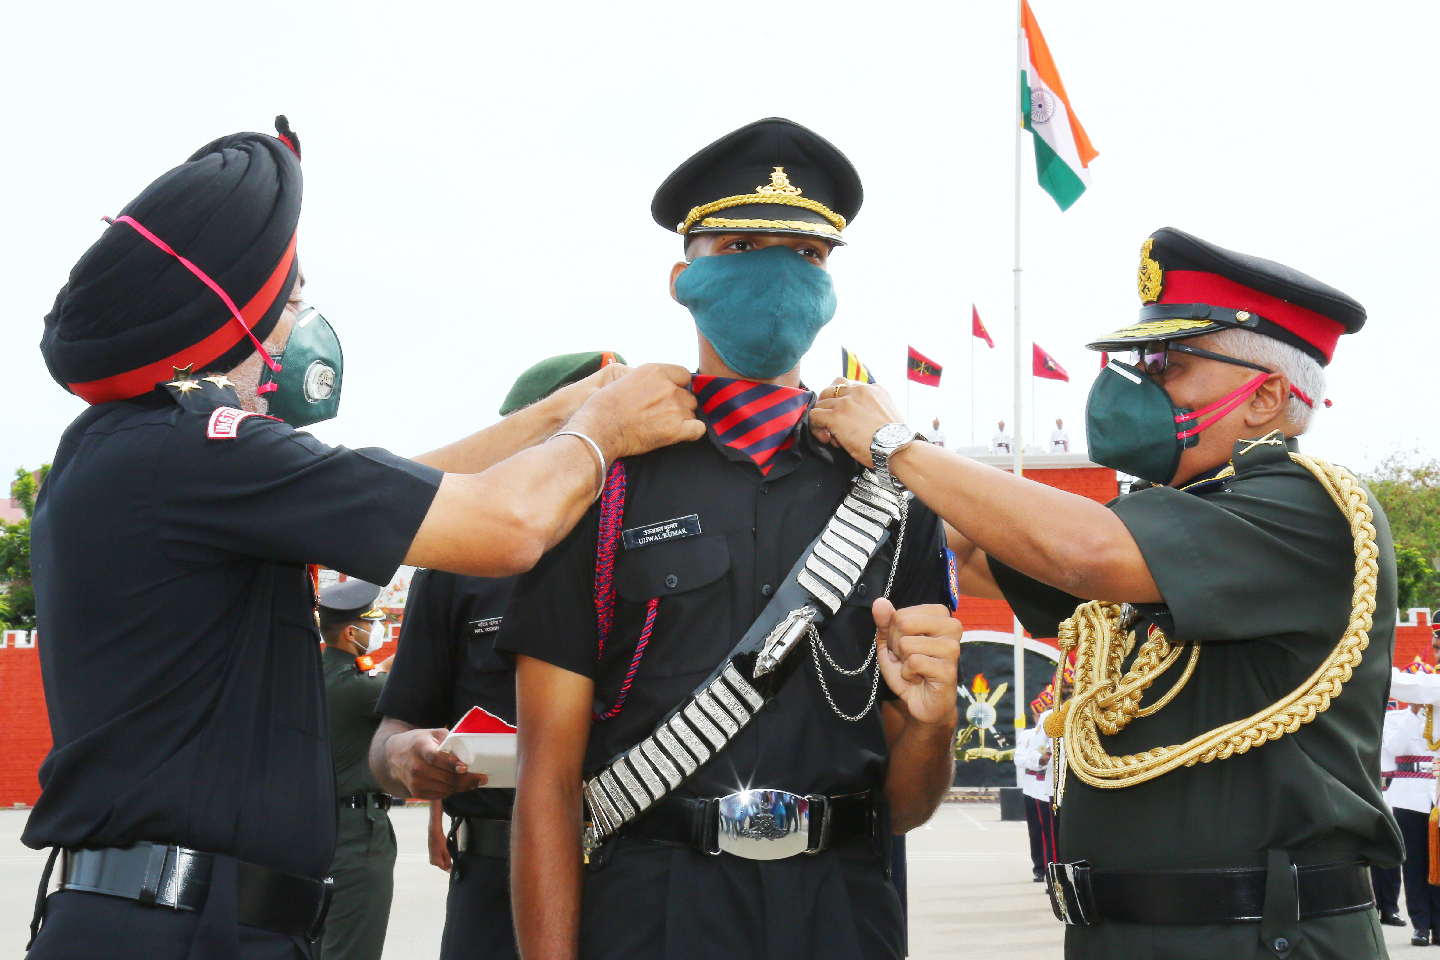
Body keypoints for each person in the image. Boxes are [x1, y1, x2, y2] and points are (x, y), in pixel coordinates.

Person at [23, 119, 703, 960]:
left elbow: (399, 485)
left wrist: (555, 416)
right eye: (294, 300)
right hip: (188, 928)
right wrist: (604, 431)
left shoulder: (137, 451)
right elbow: (506, 525)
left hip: (173, 917)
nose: (304, 324)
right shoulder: (204, 449)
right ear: (239, 316)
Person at [812, 226, 1399, 959]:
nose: (1141, 386)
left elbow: (1083, 553)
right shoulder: (1166, 518)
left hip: (1258, 936)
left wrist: (897, 443)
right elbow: (982, 552)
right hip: (1122, 933)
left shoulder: (1304, 506)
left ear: (1267, 397)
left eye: (1169, 365)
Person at [498, 117, 962, 960]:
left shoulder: (895, 495)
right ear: (684, 278)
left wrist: (932, 729)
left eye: (809, 254)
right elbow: (548, 783)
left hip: (842, 911)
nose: (780, 270)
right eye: (743, 244)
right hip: (654, 909)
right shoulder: (602, 485)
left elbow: (907, 803)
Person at [370, 351, 626, 960]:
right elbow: (390, 735)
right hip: (495, 887)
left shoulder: (665, 552)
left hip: (643, 881)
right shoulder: (460, 568)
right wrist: (407, 759)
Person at [318, 579, 397, 960]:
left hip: (316, 829)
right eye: (373, 623)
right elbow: (401, 688)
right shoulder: (363, 687)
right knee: (353, 948)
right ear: (352, 632)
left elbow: (375, 677)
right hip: (356, 837)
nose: (379, 629)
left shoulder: (317, 674)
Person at [1380, 662, 1437, 943]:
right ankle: (1421, 925)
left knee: (1437, 864)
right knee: (1414, 864)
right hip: (1409, 794)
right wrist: (1413, 713)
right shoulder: (1396, 717)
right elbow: (1395, 747)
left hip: (1436, 793)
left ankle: (1438, 925)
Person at [1015, 685, 1058, 882]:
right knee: (1036, 830)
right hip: (1034, 786)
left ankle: (1052, 866)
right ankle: (1039, 866)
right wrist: (1040, 761)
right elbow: (1020, 759)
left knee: (1052, 832)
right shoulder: (1028, 736)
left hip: (1051, 785)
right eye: (1042, 711)